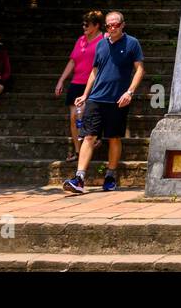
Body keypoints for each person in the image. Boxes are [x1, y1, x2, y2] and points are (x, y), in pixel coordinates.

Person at [64, 12, 144, 194]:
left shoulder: (132, 43)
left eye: (116, 24)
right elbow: (94, 71)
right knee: (89, 136)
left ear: (123, 25)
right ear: (105, 27)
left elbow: (139, 70)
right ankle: (79, 177)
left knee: (114, 137)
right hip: (96, 98)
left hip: (118, 100)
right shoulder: (101, 44)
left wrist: (130, 92)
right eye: (109, 25)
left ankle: (110, 175)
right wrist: (85, 94)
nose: (112, 28)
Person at [53, 11, 103, 162]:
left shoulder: (103, 40)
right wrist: (61, 80)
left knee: (87, 116)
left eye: (87, 24)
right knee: (74, 117)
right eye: (83, 24)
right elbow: (72, 61)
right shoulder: (80, 40)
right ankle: (77, 150)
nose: (84, 27)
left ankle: (93, 141)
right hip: (76, 83)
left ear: (96, 25)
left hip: (94, 84)